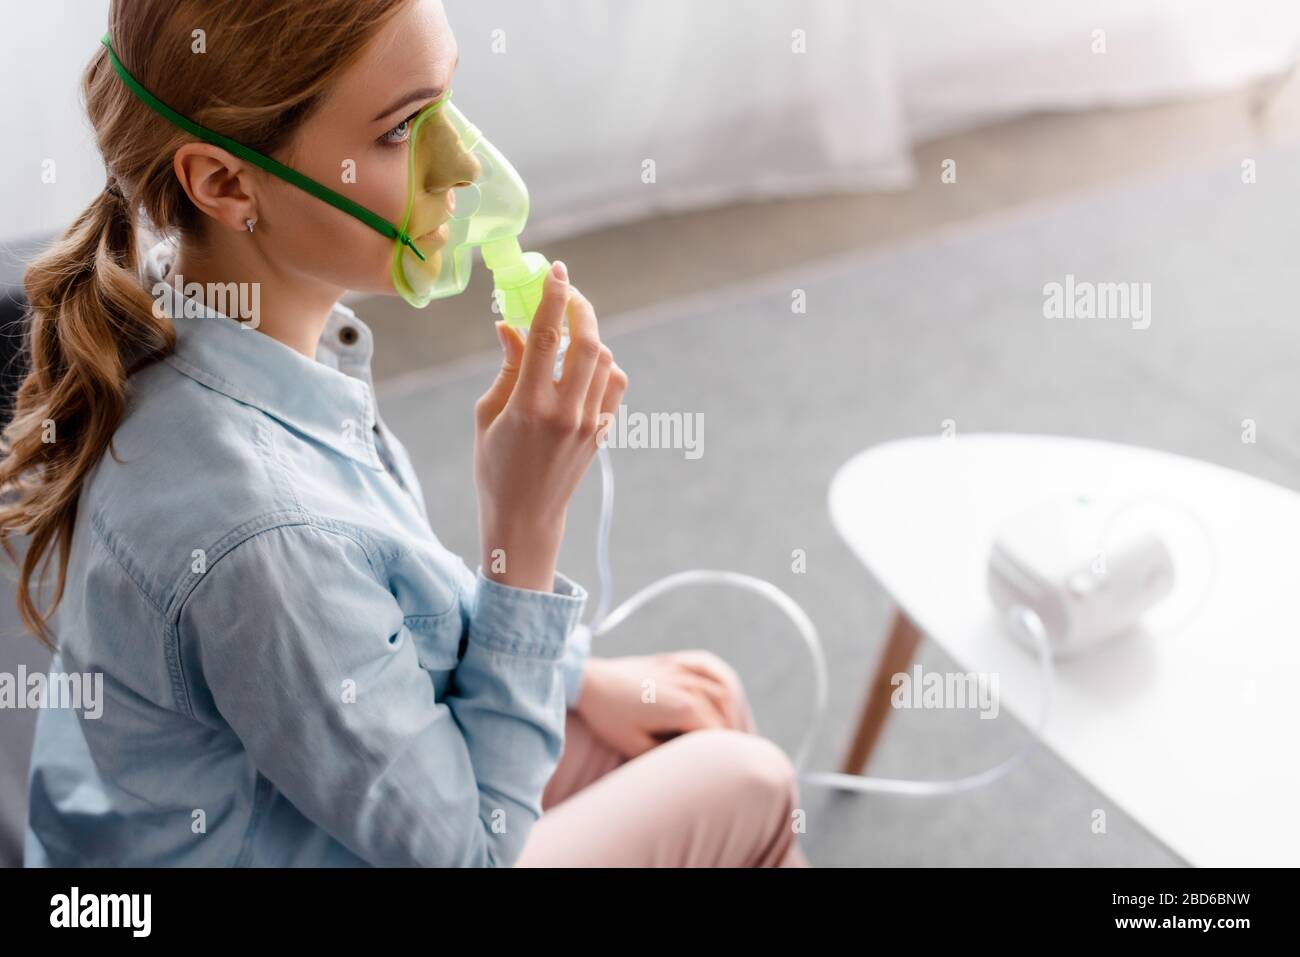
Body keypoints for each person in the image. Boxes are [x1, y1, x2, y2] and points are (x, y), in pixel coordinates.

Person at [1, 0, 808, 867]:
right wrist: (523, 534)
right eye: (401, 129)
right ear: (227, 184)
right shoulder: (259, 531)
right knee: (747, 783)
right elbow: (472, 856)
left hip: (287, 802)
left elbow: (383, 616)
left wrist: (575, 675)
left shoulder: (208, 324)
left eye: (446, 99)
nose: (461, 162)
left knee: (679, 721)